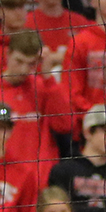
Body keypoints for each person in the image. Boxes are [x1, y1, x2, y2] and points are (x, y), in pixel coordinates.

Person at [0, 31, 73, 183]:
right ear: (7, 54)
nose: (23, 69)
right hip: (6, 179)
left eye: (31, 64)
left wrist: (48, 77)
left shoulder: (44, 88)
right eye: (19, 61)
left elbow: (65, 125)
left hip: (39, 179)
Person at [26, 0, 91, 78]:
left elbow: (89, 55)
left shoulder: (79, 22)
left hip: (73, 81)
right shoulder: (26, 23)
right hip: (39, 82)